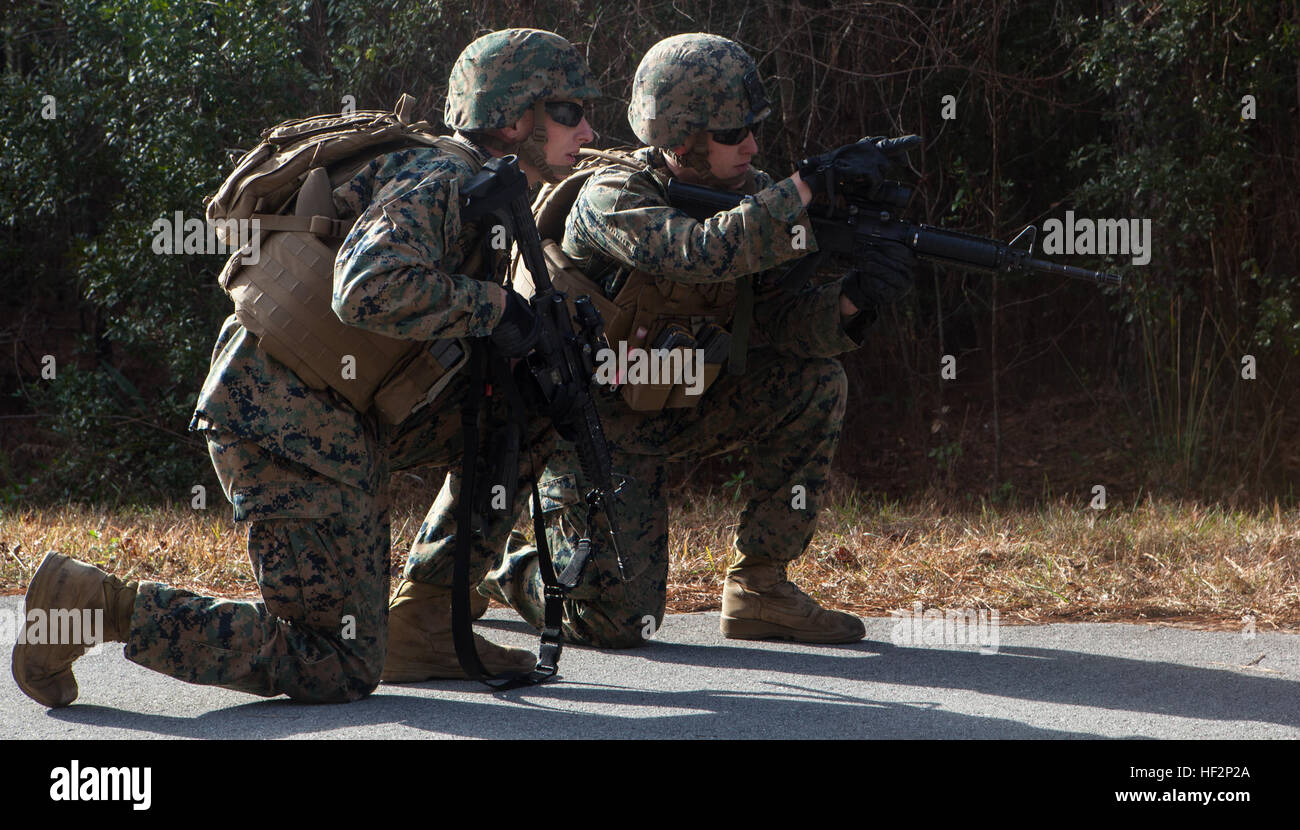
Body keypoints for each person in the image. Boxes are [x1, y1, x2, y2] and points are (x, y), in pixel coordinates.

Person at [12, 28, 599, 707]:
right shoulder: (442, 178)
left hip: (338, 413)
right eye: (569, 113)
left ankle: (431, 621)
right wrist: (493, 304)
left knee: (518, 405)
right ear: (514, 117)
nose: (587, 128)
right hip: (280, 423)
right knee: (335, 664)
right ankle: (93, 604)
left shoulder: (481, 184)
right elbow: (367, 287)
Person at [397, 32, 918, 652]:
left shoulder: (754, 196)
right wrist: (805, 191)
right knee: (619, 622)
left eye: (753, 128)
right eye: (732, 133)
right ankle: (513, 568)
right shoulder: (612, 195)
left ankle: (760, 587)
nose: (751, 145)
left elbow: (776, 323)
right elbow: (699, 252)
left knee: (816, 379)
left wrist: (853, 301)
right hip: (593, 427)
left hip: (684, 399)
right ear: (678, 136)